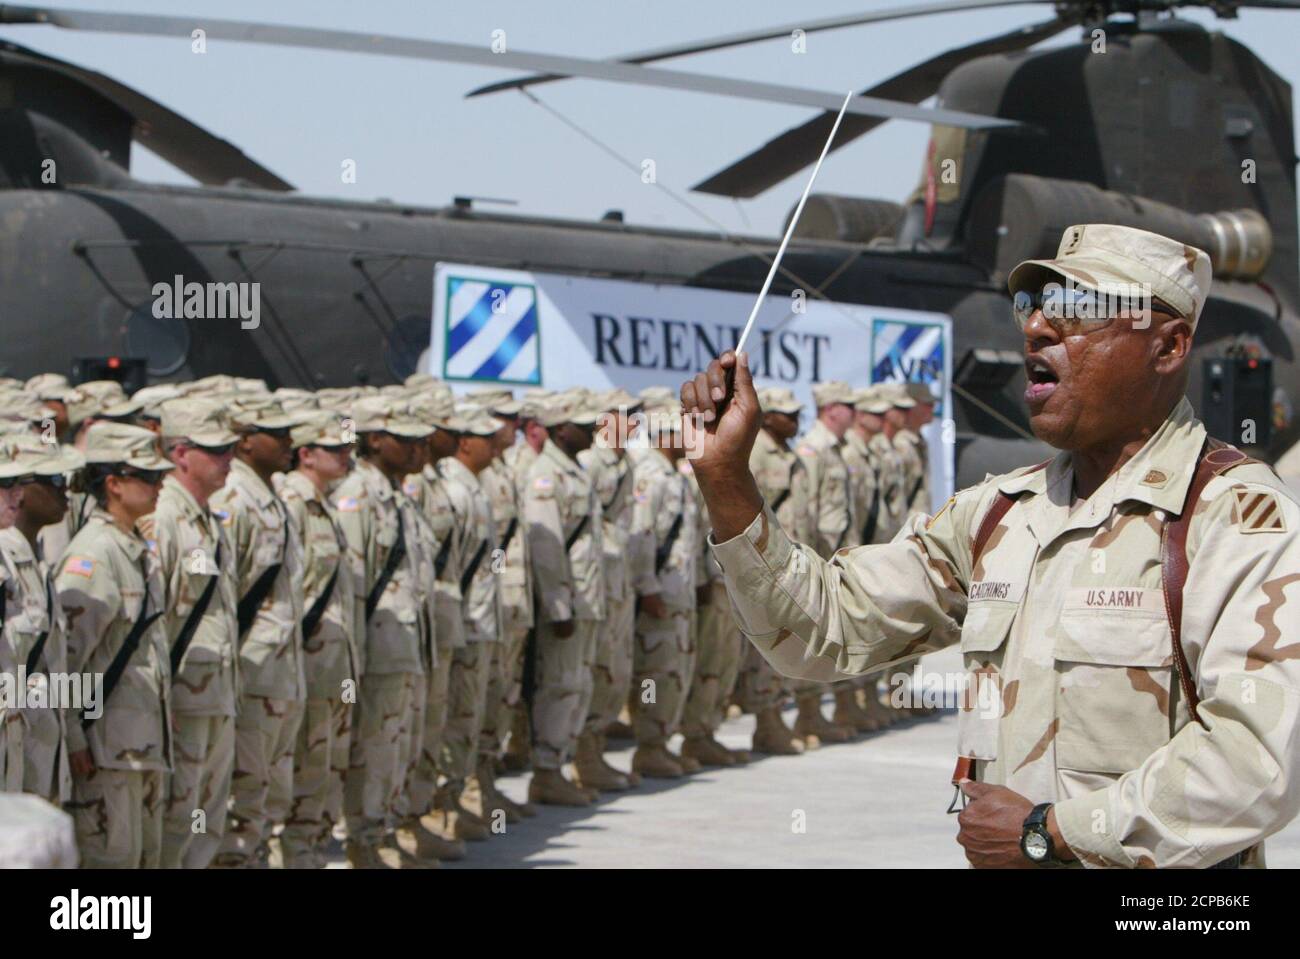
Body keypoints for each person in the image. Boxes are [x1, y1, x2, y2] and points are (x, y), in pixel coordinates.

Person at [683, 223, 1300, 869]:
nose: (1037, 328)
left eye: (1080, 310)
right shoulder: (998, 513)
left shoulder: (1231, 517)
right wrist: (726, 479)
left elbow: (1258, 758)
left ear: (1169, 346)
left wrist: (1050, 832)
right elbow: (818, 632)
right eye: (1032, 306)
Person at [56, 423, 173, 869]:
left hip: (138, 746)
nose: (160, 485)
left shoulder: (133, 546)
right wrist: (72, 738)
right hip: (104, 751)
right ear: (115, 484)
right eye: (148, 476)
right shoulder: (94, 556)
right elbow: (63, 659)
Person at [210, 398, 308, 868]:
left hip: (279, 672)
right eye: (277, 433)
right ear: (245, 440)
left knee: (271, 788)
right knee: (243, 792)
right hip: (250, 674)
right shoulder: (234, 500)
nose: (289, 442)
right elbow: (223, 599)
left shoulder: (273, 499)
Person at [334, 396, 431, 868]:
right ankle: (362, 842)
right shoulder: (358, 495)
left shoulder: (396, 493)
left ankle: (384, 832)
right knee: (373, 748)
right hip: (375, 649)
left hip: (402, 644)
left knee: (396, 744)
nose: (419, 450)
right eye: (407, 440)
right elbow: (352, 585)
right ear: (375, 440)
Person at [145, 399, 240, 869]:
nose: (229, 460)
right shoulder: (163, 519)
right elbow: (150, 623)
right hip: (183, 701)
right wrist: (161, 702)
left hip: (216, 695)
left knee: (206, 816)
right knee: (177, 818)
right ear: (181, 453)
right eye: (217, 450)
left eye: (231, 449)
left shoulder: (210, 520)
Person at [278, 410, 361, 869]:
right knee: (305, 767)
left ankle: (308, 853)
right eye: (337, 449)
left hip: (332, 664)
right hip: (307, 663)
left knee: (326, 766)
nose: (348, 457)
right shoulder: (292, 503)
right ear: (306, 454)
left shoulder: (322, 502)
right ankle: (291, 854)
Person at [523, 390, 606, 805]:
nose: (593, 429)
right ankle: (546, 770)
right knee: (559, 685)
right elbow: (547, 549)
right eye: (584, 423)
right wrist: (557, 606)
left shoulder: (575, 469)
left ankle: (564, 762)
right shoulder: (545, 475)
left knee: (578, 683)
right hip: (568, 603)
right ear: (559, 429)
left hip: (587, 598)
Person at [0, 435, 83, 803]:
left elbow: (53, 669)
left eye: (17, 483)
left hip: (32, 750)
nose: (13, 495)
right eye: (6, 485)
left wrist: (75, 736)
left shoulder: (32, 564)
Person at [574, 389, 646, 791]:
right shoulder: (589, 463)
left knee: (615, 671)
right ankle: (582, 757)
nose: (634, 424)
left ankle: (595, 751)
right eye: (627, 416)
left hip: (619, 583)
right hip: (594, 584)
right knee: (591, 668)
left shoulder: (626, 463)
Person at [627, 390, 700, 778]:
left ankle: (661, 743)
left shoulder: (677, 475)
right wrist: (648, 587)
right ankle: (648, 745)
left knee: (674, 670)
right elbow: (641, 536)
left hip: (678, 592)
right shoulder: (650, 476)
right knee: (654, 673)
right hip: (659, 595)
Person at [733, 388, 807, 756]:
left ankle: (775, 715)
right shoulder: (757, 451)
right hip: (766, 565)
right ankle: (766, 721)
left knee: (789, 640)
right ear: (768, 416)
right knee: (769, 645)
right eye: (786, 414)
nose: (794, 421)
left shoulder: (788, 452)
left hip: (790, 564)